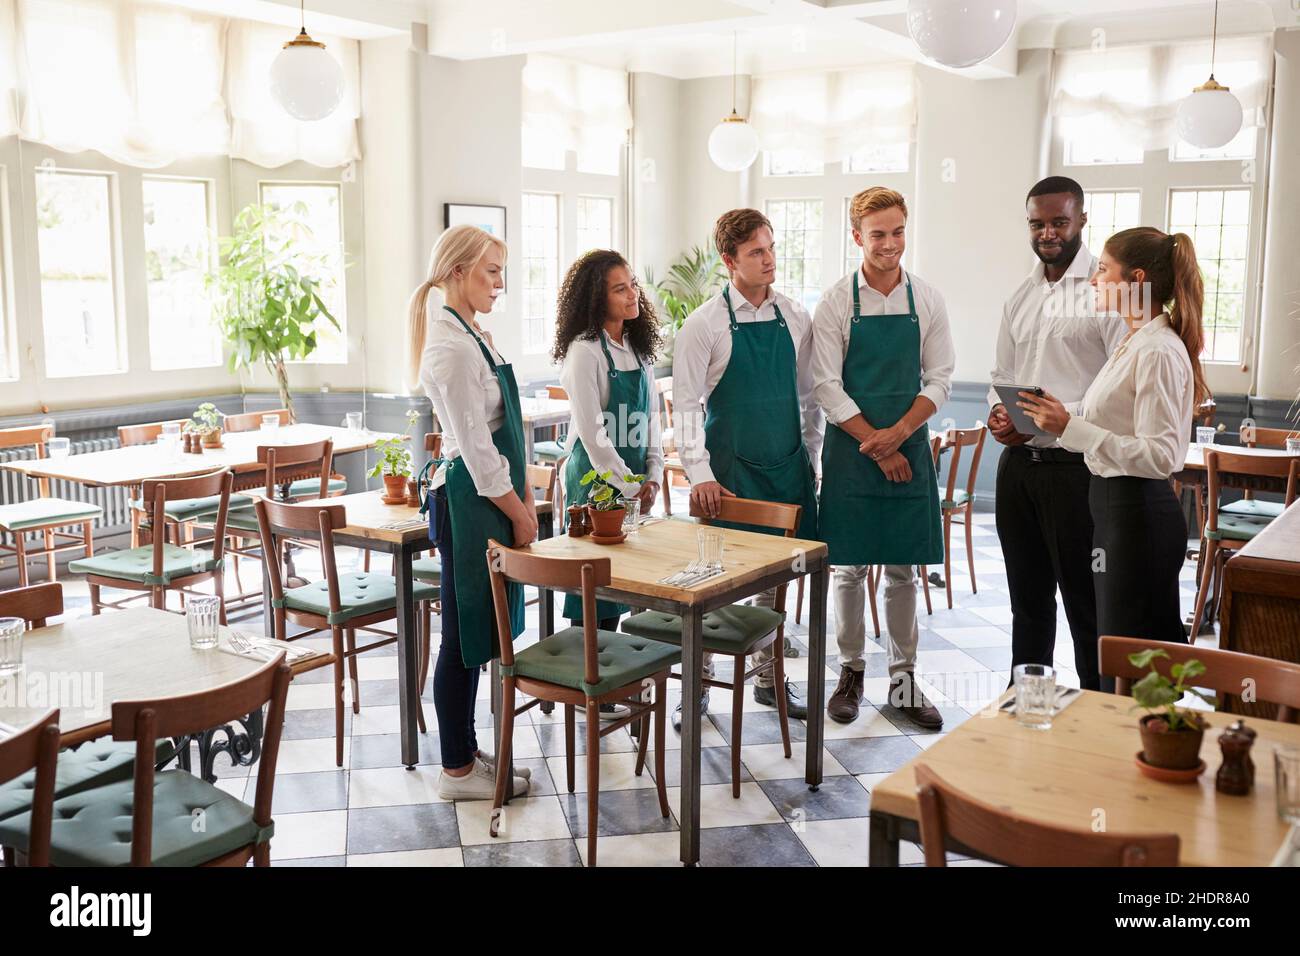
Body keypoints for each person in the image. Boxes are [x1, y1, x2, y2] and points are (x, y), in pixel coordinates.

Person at [671, 207, 823, 731]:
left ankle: (767, 676)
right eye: (756, 251)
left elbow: (809, 399)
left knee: (777, 582)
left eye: (771, 248)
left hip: (786, 469)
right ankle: (699, 682)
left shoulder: (796, 317)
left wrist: (813, 459)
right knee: (713, 578)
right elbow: (686, 406)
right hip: (728, 474)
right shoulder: (704, 325)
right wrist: (700, 475)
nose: (769, 260)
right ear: (729, 260)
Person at [1018, 227, 1206, 646]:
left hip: (1138, 513)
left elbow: (1160, 455)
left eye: (1103, 269)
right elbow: (1113, 418)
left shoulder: (1157, 349)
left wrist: (1070, 428)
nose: (1093, 279)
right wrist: (1065, 415)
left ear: (1136, 280)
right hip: (1112, 507)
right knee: (1115, 652)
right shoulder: (1134, 341)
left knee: (1132, 665)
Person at [813, 186, 952, 729]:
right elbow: (826, 385)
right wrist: (876, 443)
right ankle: (850, 672)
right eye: (878, 235)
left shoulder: (929, 300)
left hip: (908, 445)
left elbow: (939, 380)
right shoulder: (835, 303)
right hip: (852, 453)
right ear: (857, 237)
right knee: (847, 570)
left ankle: (903, 680)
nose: (890, 244)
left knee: (901, 573)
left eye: (897, 232)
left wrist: (898, 434)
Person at [408, 225, 534, 800]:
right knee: (461, 636)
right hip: (470, 502)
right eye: (491, 271)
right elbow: (479, 452)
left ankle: (465, 748)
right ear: (458, 272)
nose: (499, 284)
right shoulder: (450, 347)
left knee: (481, 626)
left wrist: (523, 499)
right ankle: (456, 769)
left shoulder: (472, 334)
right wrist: (521, 510)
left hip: (490, 498)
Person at [988, 177, 1127, 690]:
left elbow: (1116, 388)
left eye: (1059, 221)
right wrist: (1001, 418)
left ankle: (1097, 709)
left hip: (1077, 469)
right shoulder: (1020, 295)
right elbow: (1001, 375)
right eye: (1037, 223)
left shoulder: (1107, 292)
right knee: (1027, 600)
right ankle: (1025, 698)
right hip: (1018, 469)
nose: (1047, 232)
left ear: (1081, 221)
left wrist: (1045, 418)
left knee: (1085, 602)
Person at [553, 249, 664, 718]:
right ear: (597, 299)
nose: (632, 294)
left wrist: (654, 473)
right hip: (594, 486)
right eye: (620, 289)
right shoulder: (584, 352)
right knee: (591, 587)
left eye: (633, 284)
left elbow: (653, 419)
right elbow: (595, 436)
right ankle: (588, 689)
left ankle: (611, 679)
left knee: (621, 586)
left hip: (635, 481)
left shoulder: (637, 349)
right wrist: (629, 485)